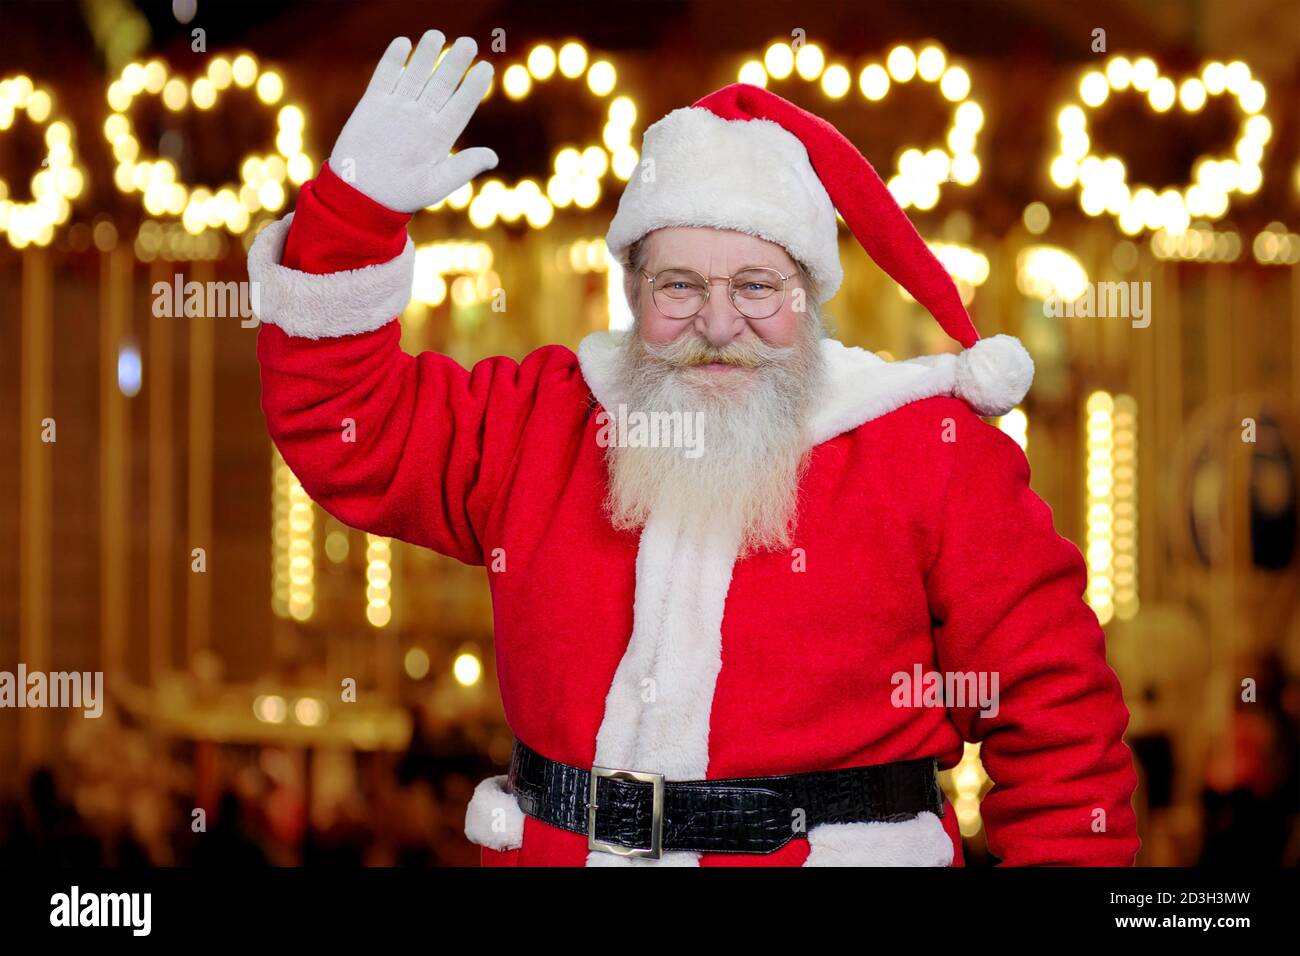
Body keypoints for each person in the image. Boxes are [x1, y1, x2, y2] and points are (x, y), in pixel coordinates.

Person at [248, 30, 1141, 867]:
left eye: (757, 285)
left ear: (809, 291)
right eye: (679, 285)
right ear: (632, 287)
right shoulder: (540, 422)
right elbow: (348, 427)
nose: (718, 324)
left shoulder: (929, 451)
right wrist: (351, 215)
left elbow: (1060, 725)